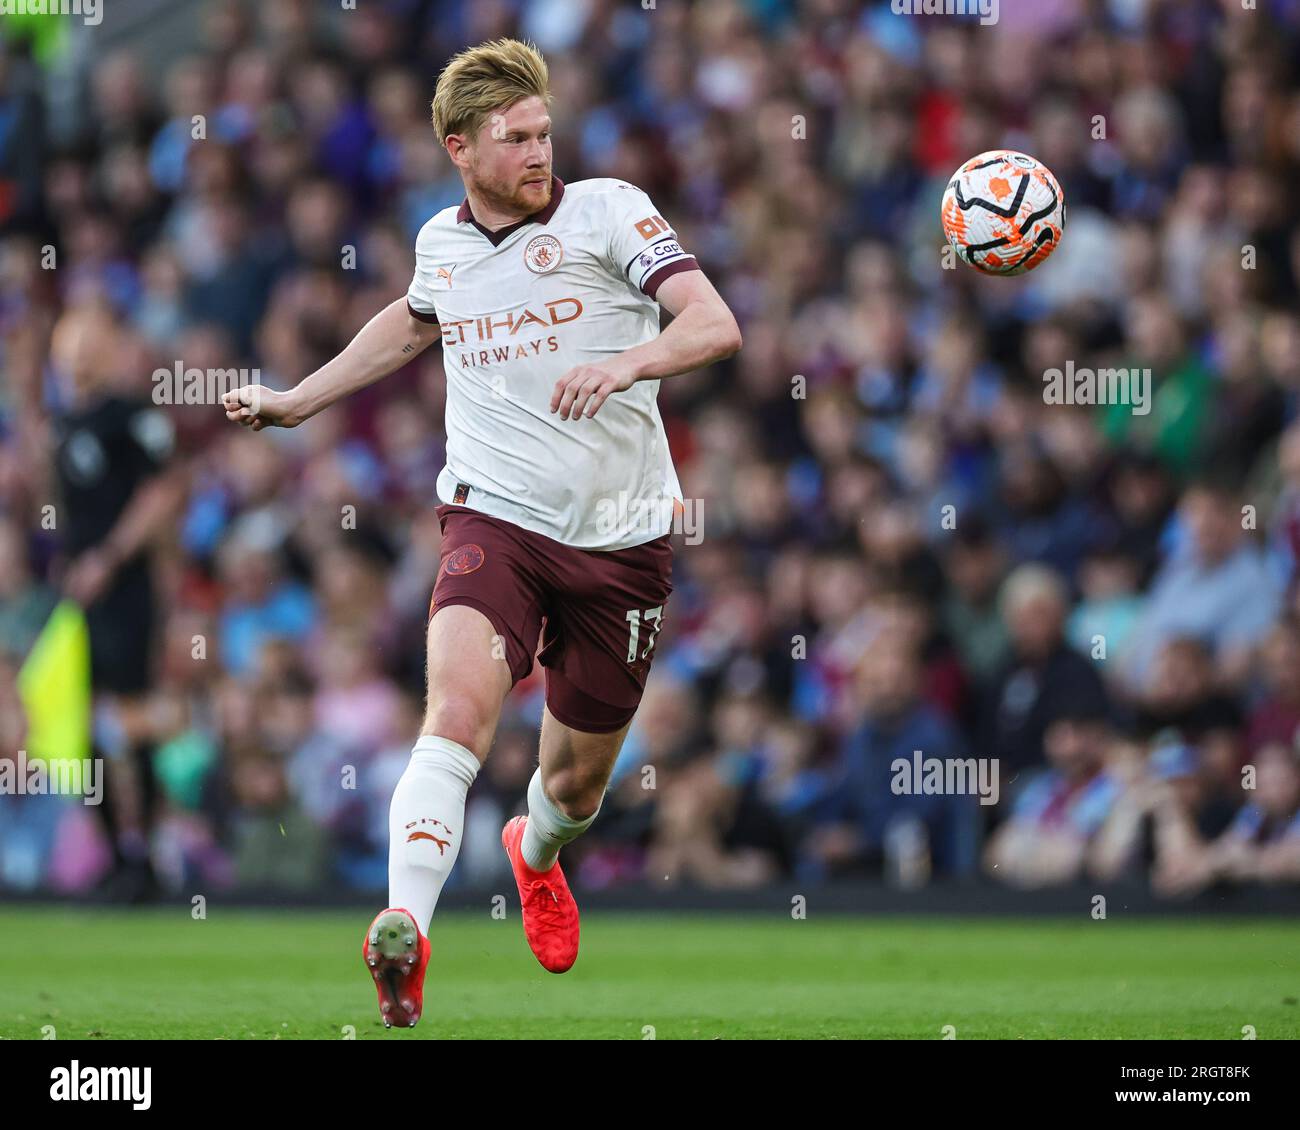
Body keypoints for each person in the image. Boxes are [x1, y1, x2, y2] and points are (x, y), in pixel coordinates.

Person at [222, 38, 741, 1028]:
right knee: (454, 714)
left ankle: (535, 851)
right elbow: (415, 321)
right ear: (459, 148)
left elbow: (713, 323)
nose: (540, 150)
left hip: (620, 541)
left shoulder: (608, 210)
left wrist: (631, 364)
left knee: (575, 784)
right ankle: (404, 930)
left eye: (545, 132)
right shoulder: (441, 245)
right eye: (516, 138)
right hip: (492, 519)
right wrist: (298, 400)